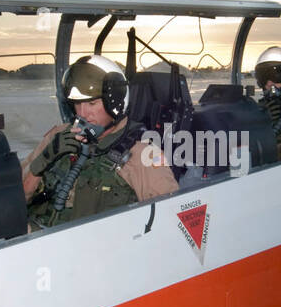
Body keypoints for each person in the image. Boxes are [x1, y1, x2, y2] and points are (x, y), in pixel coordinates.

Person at [22, 54, 177, 228]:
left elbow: (170, 222)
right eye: (77, 104)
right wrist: (43, 161)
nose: (82, 113)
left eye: (91, 103)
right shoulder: (58, 137)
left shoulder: (144, 155)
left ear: (115, 102)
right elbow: (16, 201)